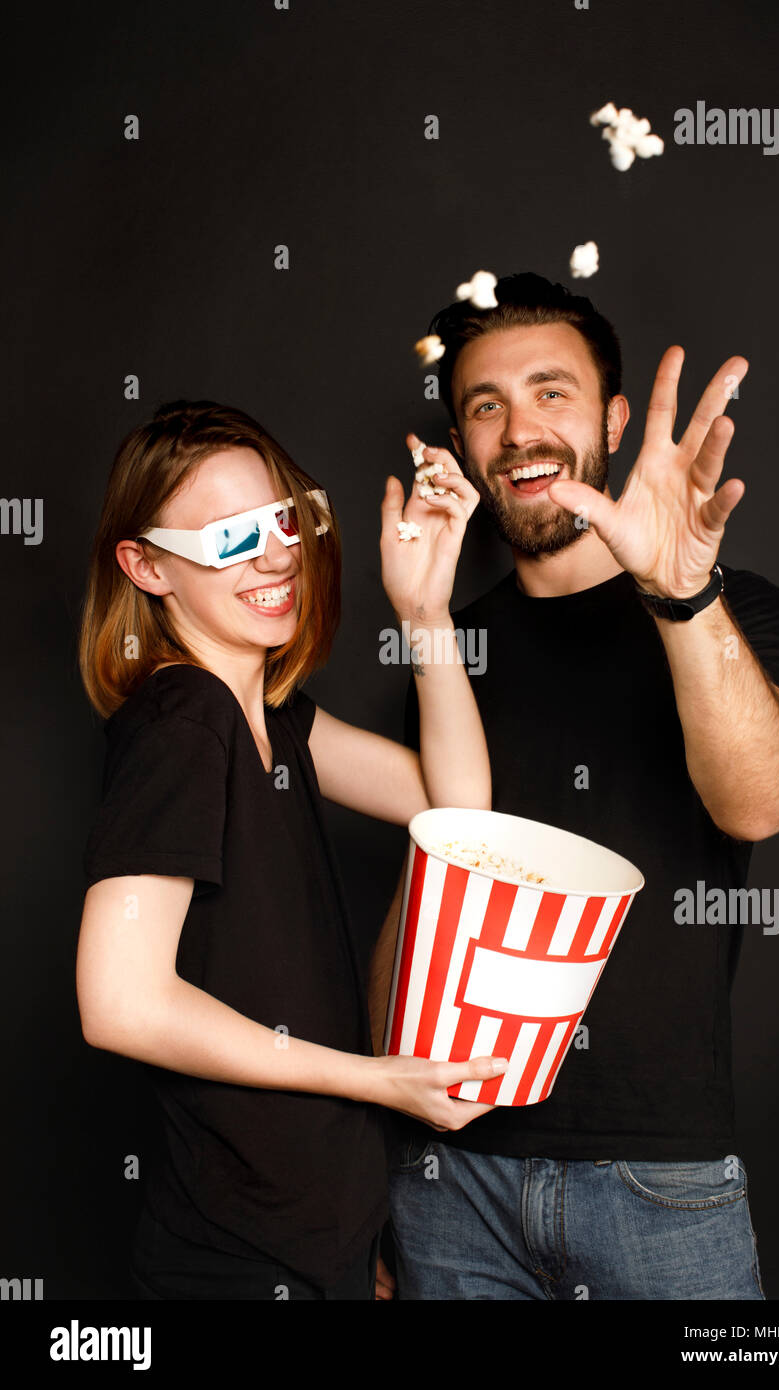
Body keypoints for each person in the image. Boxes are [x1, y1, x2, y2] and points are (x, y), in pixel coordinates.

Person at [372, 273, 779, 1300]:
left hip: (657, 1177)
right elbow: (425, 890)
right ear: (462, 444)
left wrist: (678, 591)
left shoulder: (731, 608)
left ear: (613, 419)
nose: (519, 431)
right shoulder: (448, 639)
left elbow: (756, 803)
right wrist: (376, 1161)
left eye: (550, 392)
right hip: (452, 1175)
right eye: (486, 406)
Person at [76, 399, 508, 1301]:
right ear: (146, 565)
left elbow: (458, 810)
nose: (277, 555)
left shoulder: (272, 719)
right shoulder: (181, 722)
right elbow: (118, 1003)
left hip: (320, 1252)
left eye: (280, 519)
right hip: (235, 1266)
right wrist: (381, 1082)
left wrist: (424, 609)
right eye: (230, 536)